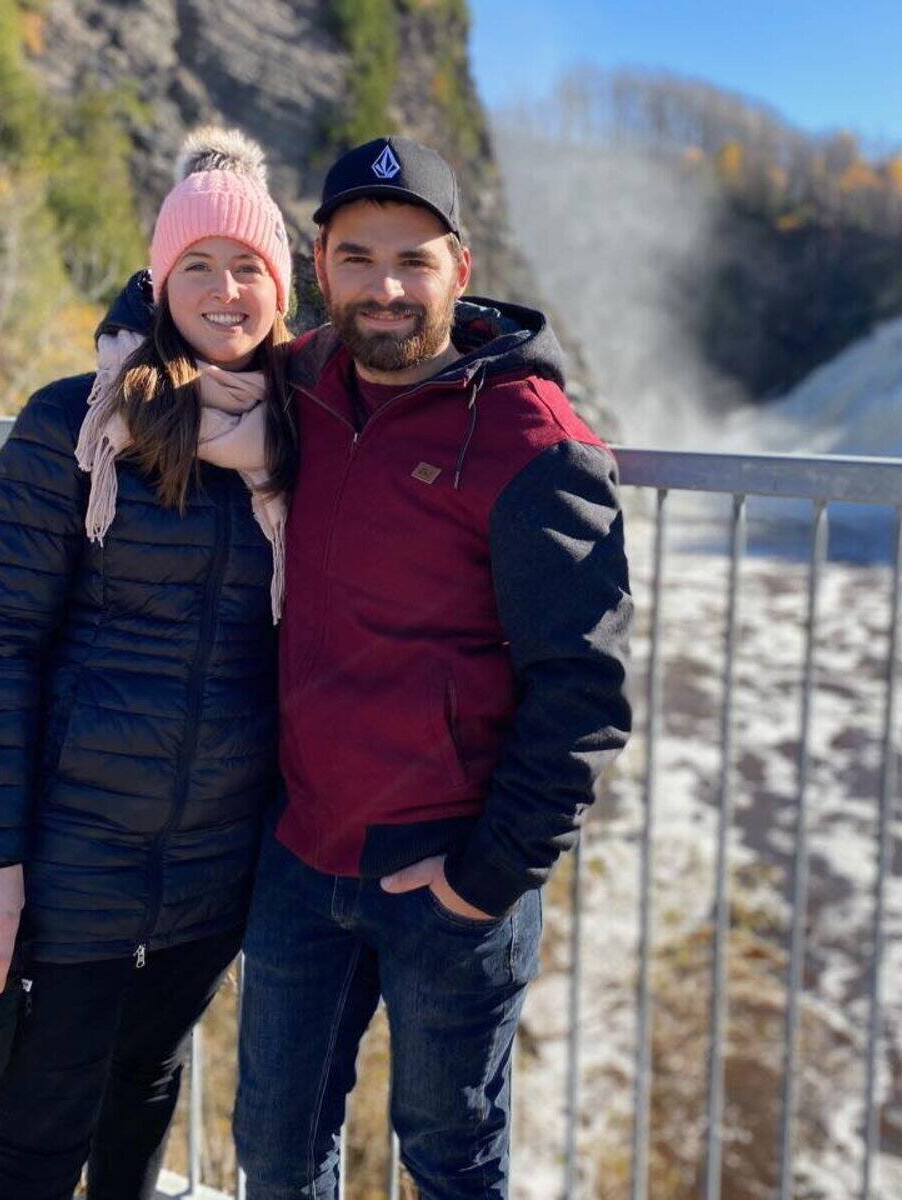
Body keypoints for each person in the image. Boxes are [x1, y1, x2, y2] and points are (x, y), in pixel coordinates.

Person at [234, 135, 634, 1200]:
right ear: (321, 267)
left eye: (414, 259)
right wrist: (130, 318)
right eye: (358, 258)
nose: (386, 287)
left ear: (462, 265)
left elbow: (585, 694)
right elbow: (197, 313)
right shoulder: (305, 378)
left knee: (449, 1165)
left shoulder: (534, 440)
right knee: (275, 1153)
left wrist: (486, 878)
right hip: (301, 852)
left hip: (447, 877)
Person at [0, 127, 295, 1200]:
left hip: (214, 870)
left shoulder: (304, 441)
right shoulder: (75, 427)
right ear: (157, 278)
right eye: (198, 264)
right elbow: (1, 648)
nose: (226, 289)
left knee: (144, 1091)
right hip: (72, 859)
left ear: (283, 287)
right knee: (39, 1134)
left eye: (250, 267)